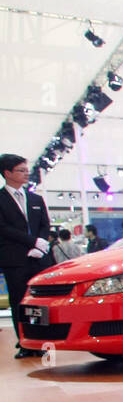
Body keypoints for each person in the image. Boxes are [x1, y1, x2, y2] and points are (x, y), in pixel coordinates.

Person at [0, 153, 51, 357]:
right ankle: (24, 343)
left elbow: (45, 224)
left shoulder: (36, 199)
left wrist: (40, 245)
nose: (26, 174)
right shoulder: (1, 199)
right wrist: (31, 242)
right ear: (7, 173)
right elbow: (3, 228)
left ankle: (41, 340)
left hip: (39, 258)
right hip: (15, 259)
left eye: (26, 170)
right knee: (19, 301)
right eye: (21, 170)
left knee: (40, 302)